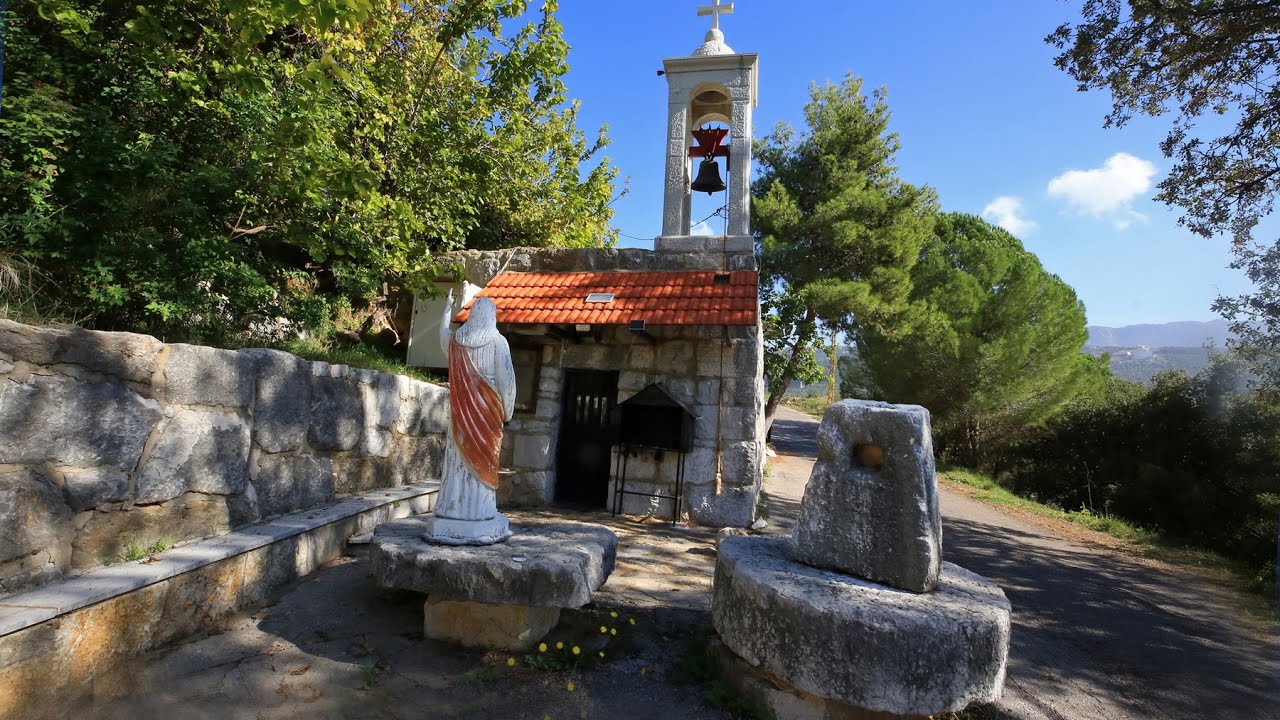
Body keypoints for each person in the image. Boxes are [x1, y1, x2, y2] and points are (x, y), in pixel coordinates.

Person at [423, 291, 517, 544]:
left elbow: (442, 336)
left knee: (457, 459)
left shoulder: (456, 342)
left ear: (473, 316)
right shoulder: (498, 343)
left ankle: (451, 509)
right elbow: (507, 381)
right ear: (491, 317)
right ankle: (480, 511)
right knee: (483, 460)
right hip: (488, 414)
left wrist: (445, 312)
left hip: (460, 416)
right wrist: (507, 410)